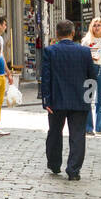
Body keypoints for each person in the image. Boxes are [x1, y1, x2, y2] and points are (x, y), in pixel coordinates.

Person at [40, 19, 94, 182]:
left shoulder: (50, 51)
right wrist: (88, 98)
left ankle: (54, 164)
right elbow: (92, 77)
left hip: (57, 100)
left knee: (55, 132)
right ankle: (73, 170)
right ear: (73, 33)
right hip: (79, 99)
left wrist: (46, 100)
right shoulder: (84, 52)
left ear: (57, 34)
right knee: (77, 135)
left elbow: (46, 77)